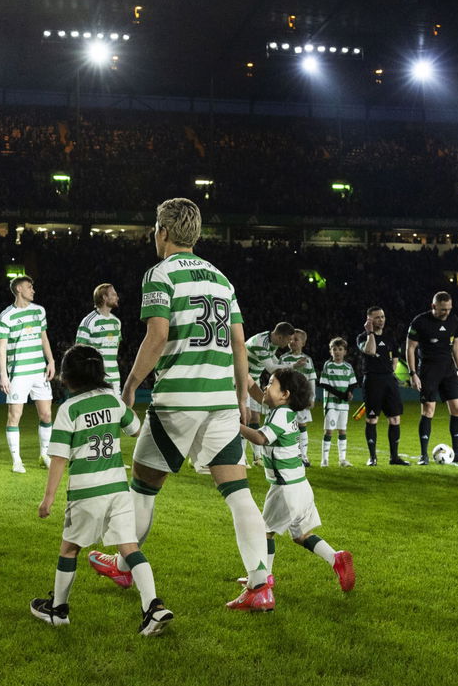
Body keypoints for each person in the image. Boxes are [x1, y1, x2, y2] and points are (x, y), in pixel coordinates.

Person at [86, 197, 273, 610]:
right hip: (221, 399)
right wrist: (242, 396)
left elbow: (156, 337)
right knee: (238, 491)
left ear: (164, 232)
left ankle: (121, 564)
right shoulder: (221, 278)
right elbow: (240, 343)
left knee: (143, 484)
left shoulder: (160, 273)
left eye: (156, 229)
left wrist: (132, 384)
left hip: (177, 401)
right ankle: (261, 586)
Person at [31, 345, 172, 636]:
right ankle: (153, 606)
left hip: (85, 492)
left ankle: (58, 611)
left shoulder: (69, 410)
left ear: (68, 377)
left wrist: (48, 499)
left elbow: (58, 458)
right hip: (118, 490)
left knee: (70, 548)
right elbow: (135, 429)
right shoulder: (111, 399)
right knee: (130, 548)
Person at [234, 368, 355, 598]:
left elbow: (261, 438)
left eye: (271, 383)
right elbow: (262, 396)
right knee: (302, 535)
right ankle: (335, 558)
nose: (266, 387)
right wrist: (247, 379)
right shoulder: (283, 410)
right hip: (299, 485)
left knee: (264, 533)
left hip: (285, 488)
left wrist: (235, 426)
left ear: (285, 394)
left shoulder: (280, 414)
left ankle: (264, 579)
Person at [0, 276, 58, 473]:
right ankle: (16, 460)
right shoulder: (5, 317)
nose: (33, 290)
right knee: (15, 415)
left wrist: (51, 361)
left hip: (38, 372)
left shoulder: (39, 311)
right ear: (18, 290)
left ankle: (44, 454)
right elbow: (2, 349)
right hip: (18, 374)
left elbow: (44, 338)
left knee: (47, 414)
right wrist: (3, 375)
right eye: (29, 287)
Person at [406, 291, 458, 465]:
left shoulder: (454, 321)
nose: (446, 312)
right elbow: (410, 348)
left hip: (449, 370)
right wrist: (413, 373)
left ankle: (456, 453)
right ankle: (423, 455)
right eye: (443, 309)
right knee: (428, 410)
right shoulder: (420, 322)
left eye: (449, 309)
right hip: (428, 370)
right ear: (433, 306)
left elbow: (456, 345)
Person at [358, 306, 408, 465]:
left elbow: (395, 361)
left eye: (383, 316)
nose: (381, 319)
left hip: (389, 381)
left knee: (395, 419)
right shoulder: (362, 337)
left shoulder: (390, 338)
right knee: (372, 419)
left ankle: (394, 457)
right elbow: (371, 351)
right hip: (372, 381)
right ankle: (372, 457)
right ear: (369, 320)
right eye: (377, 317)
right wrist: (370, 333)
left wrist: (389, 373)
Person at [242, 322, 296, 465]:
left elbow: (275, 362)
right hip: (241, 380)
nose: (290, 342)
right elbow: (272, 368)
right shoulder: (261, 342)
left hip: (254, 381)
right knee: (244, 418)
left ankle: (257, 456)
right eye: (288, 339)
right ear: (279, 337)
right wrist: (293, 366)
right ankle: (241, 458)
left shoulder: (273, 343)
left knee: (254, 418)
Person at [75, 283, 124, 397]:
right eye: (114, 294)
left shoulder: (116, 322)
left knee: (116, 410)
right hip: (96, 377)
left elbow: (115, 349)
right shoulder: (89, 321)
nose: (117, 297)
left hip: (114, 377)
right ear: (104, 297)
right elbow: (78, 351)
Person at [316, 337, 358, 466]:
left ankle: (342, 460)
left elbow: (353, 383)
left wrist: (349, 393)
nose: (337, 352)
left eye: (340, 349)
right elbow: (324, 384)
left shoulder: (348, 367)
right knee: (329, 431)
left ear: (345, 352)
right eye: (334, 349)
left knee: (342, 430)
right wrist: (341, 394)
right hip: (331, 404)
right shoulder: (328, 366)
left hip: (343, 405)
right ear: (331, 352)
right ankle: (325, 460)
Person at [278, 329, 317, 466]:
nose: (292, 342)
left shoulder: (307, 360)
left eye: (296, 339)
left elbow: (311, 380)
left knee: (302, 426)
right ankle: (287, 455)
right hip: (288, 398)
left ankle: (303, 457)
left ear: (303, 343)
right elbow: (279, 377)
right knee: (287, 426)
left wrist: (312, 398)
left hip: (302, 397)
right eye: (291, 339)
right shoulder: (284, 358)